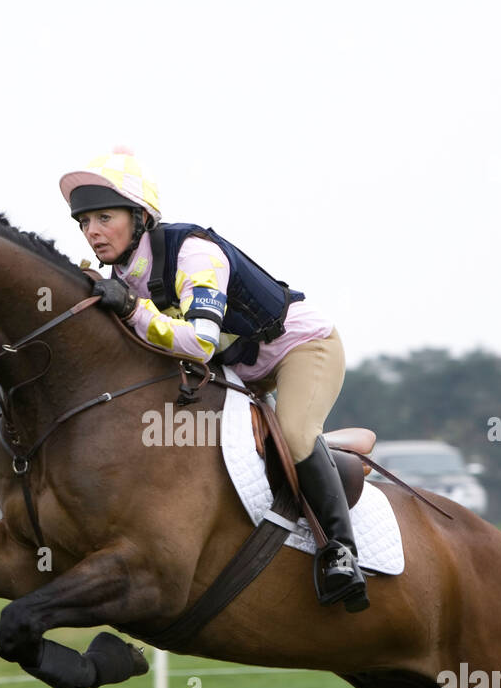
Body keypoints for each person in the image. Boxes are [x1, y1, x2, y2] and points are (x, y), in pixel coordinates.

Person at [59, 148, 369, 613]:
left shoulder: (193, 253)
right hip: (237, 368)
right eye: (84, 222)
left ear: (142, 218)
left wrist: (129, 308)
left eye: (105, 217)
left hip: (300, 349)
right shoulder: (122, 273)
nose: (93, 232)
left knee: (295, 433)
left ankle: (342, 552)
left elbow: (200, 343)